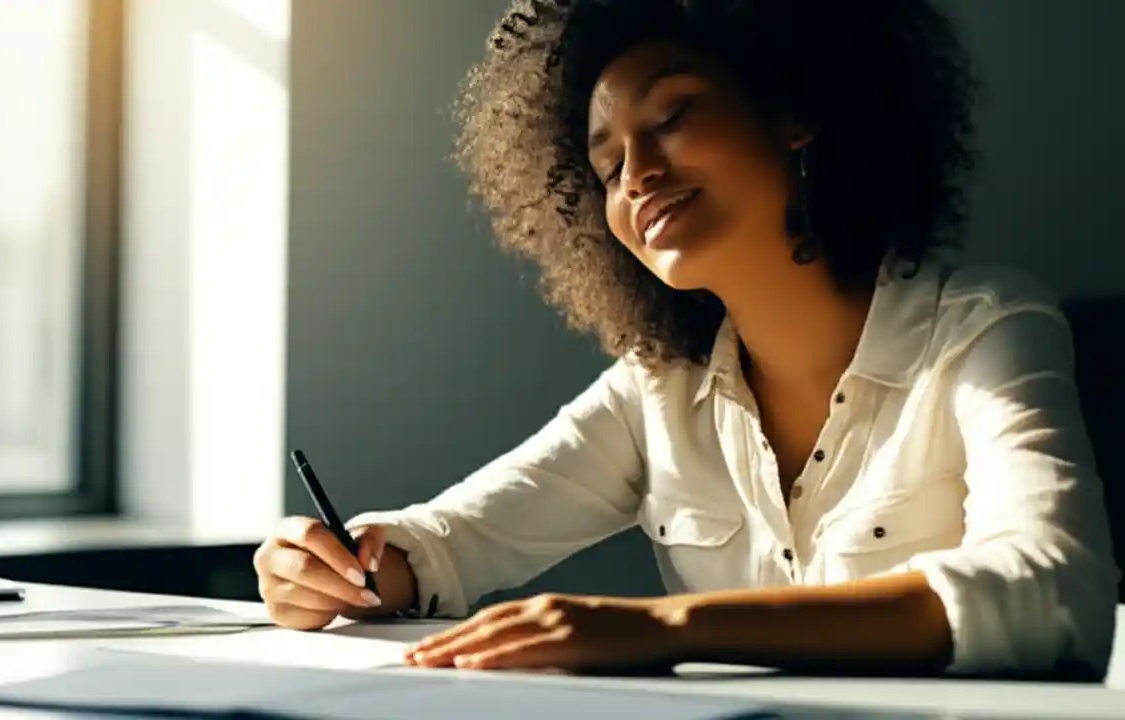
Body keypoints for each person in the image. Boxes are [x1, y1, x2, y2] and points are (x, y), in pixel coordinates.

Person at [253, 0, 1119, 679]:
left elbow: (1052, 590)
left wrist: (666, 627)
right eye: (607, 165)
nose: (639, 176)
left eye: (672, 117)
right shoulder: (655, 390)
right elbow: (446, 544)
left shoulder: (984, 327)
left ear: (793, 112)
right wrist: (338, 567)